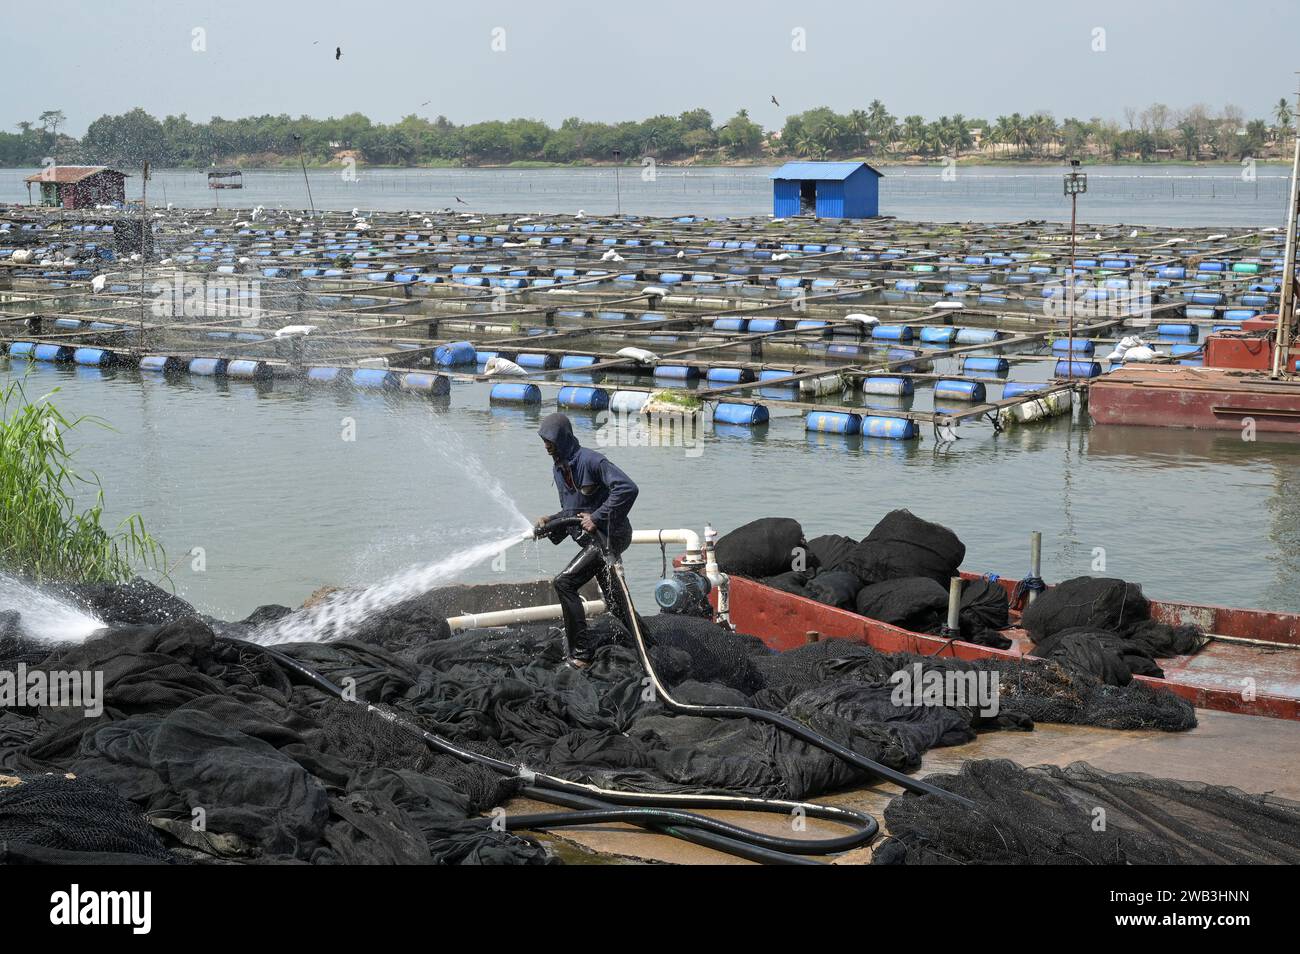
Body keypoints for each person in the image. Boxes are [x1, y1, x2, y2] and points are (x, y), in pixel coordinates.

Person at [535, 413, 638, 668]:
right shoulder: (559, 469)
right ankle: (647, 643)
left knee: (565, 582)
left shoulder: (592, 460)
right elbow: (573, 511)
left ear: (564, 439)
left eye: (550, 440)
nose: (546, 446)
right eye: (544, 441)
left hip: (611, 536)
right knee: (615, 602)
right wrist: (552, 521)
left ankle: (580, 655)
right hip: (593, 541)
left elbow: (628, 488)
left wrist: (599, 517)